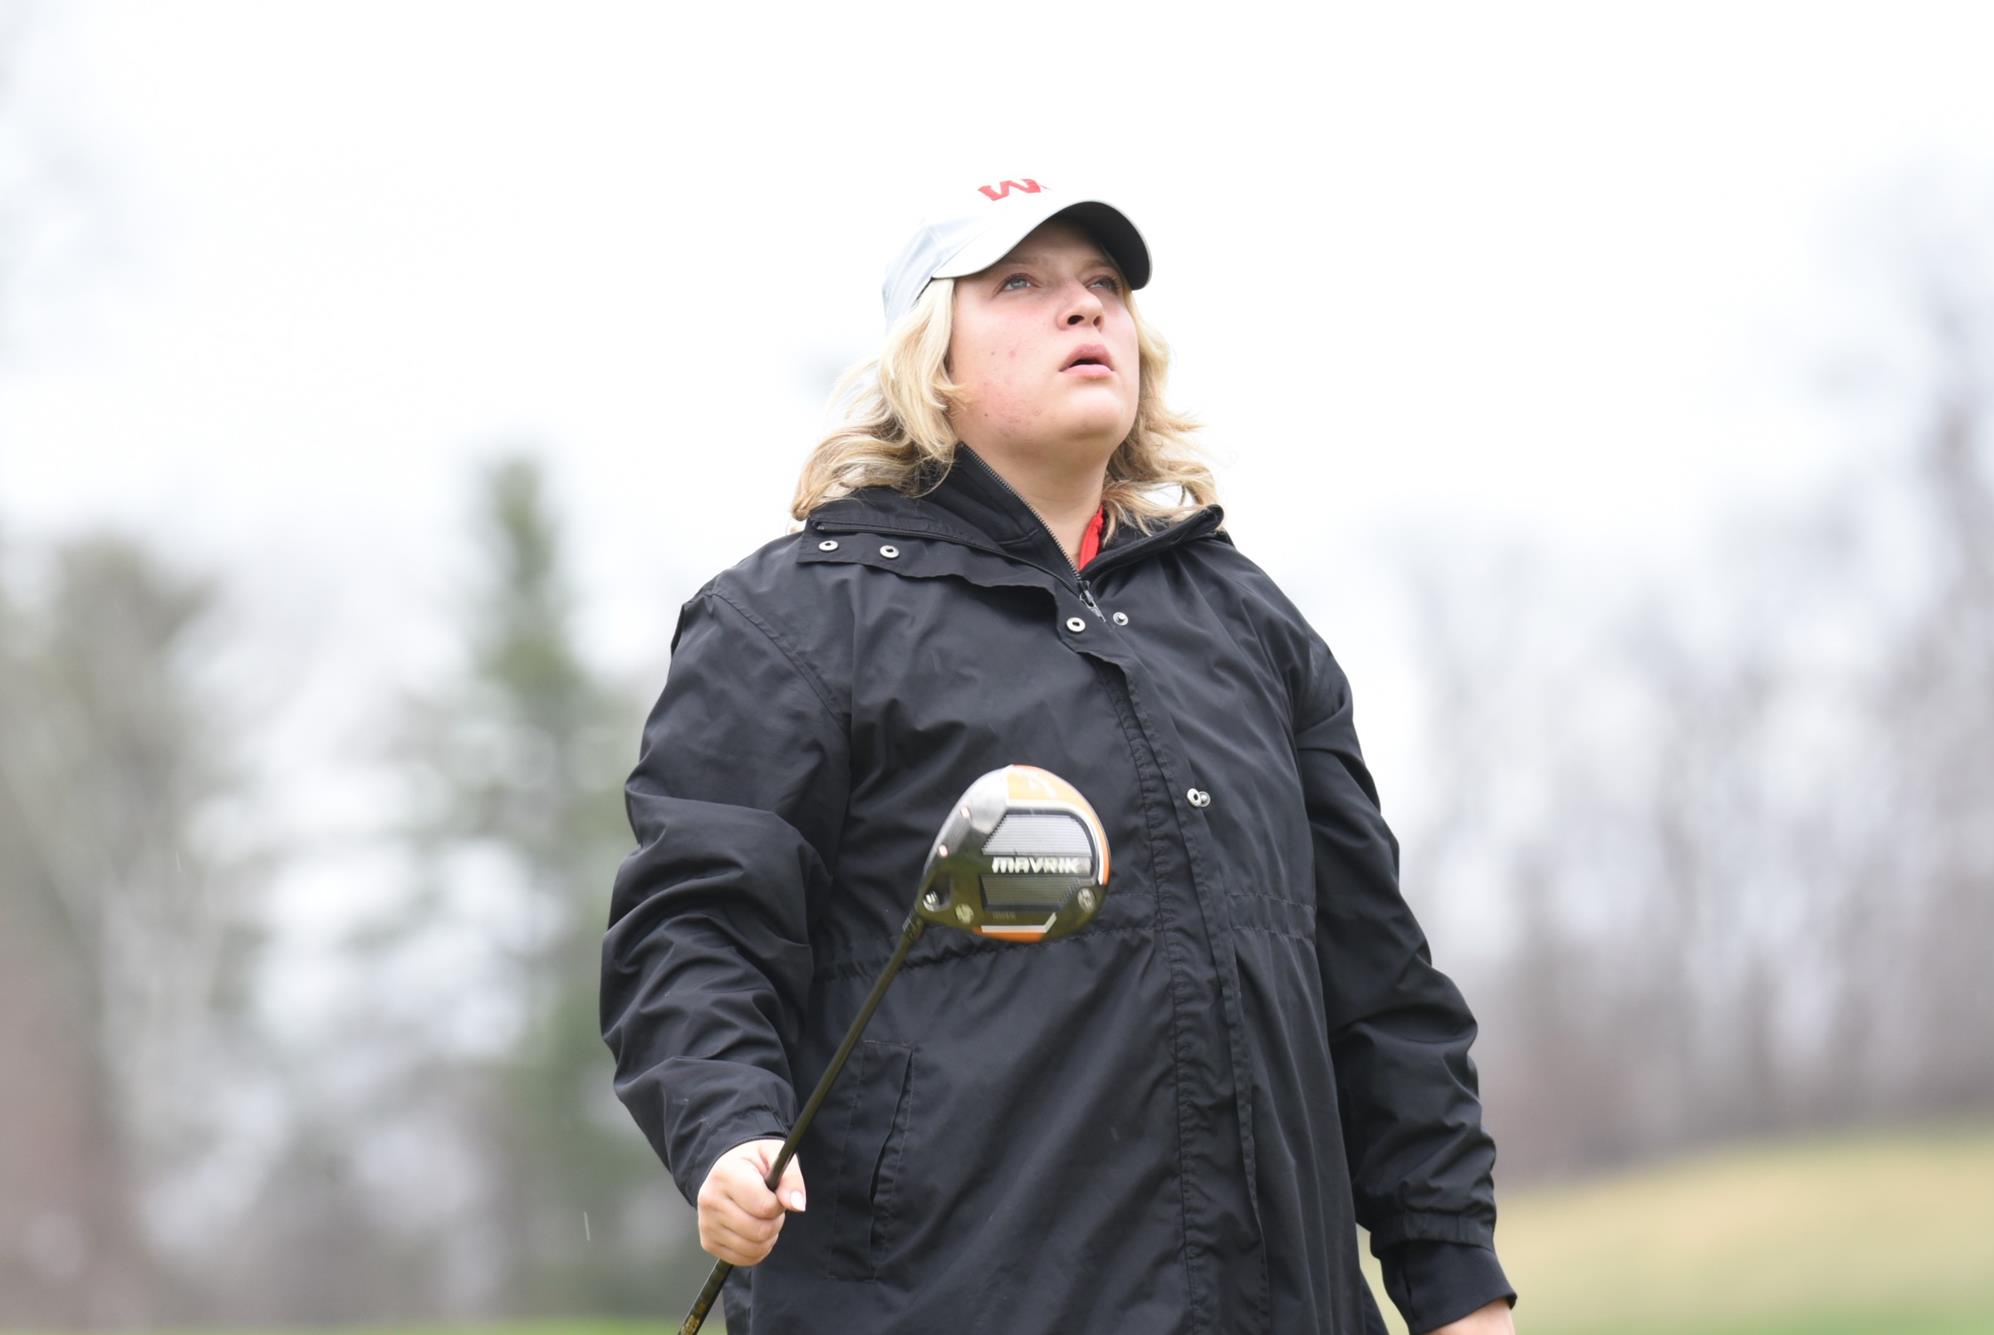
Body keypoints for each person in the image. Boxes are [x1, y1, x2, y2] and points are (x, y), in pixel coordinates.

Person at [601, 176, 1519, 1335]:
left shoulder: (1248, 622)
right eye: (1020, 287)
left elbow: (1376, 987)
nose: (1082, 312)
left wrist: (1455, 1286)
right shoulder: (788, 621)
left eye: (1103, 288)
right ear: (930, 359)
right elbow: (695, 934)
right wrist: (727, 1132)